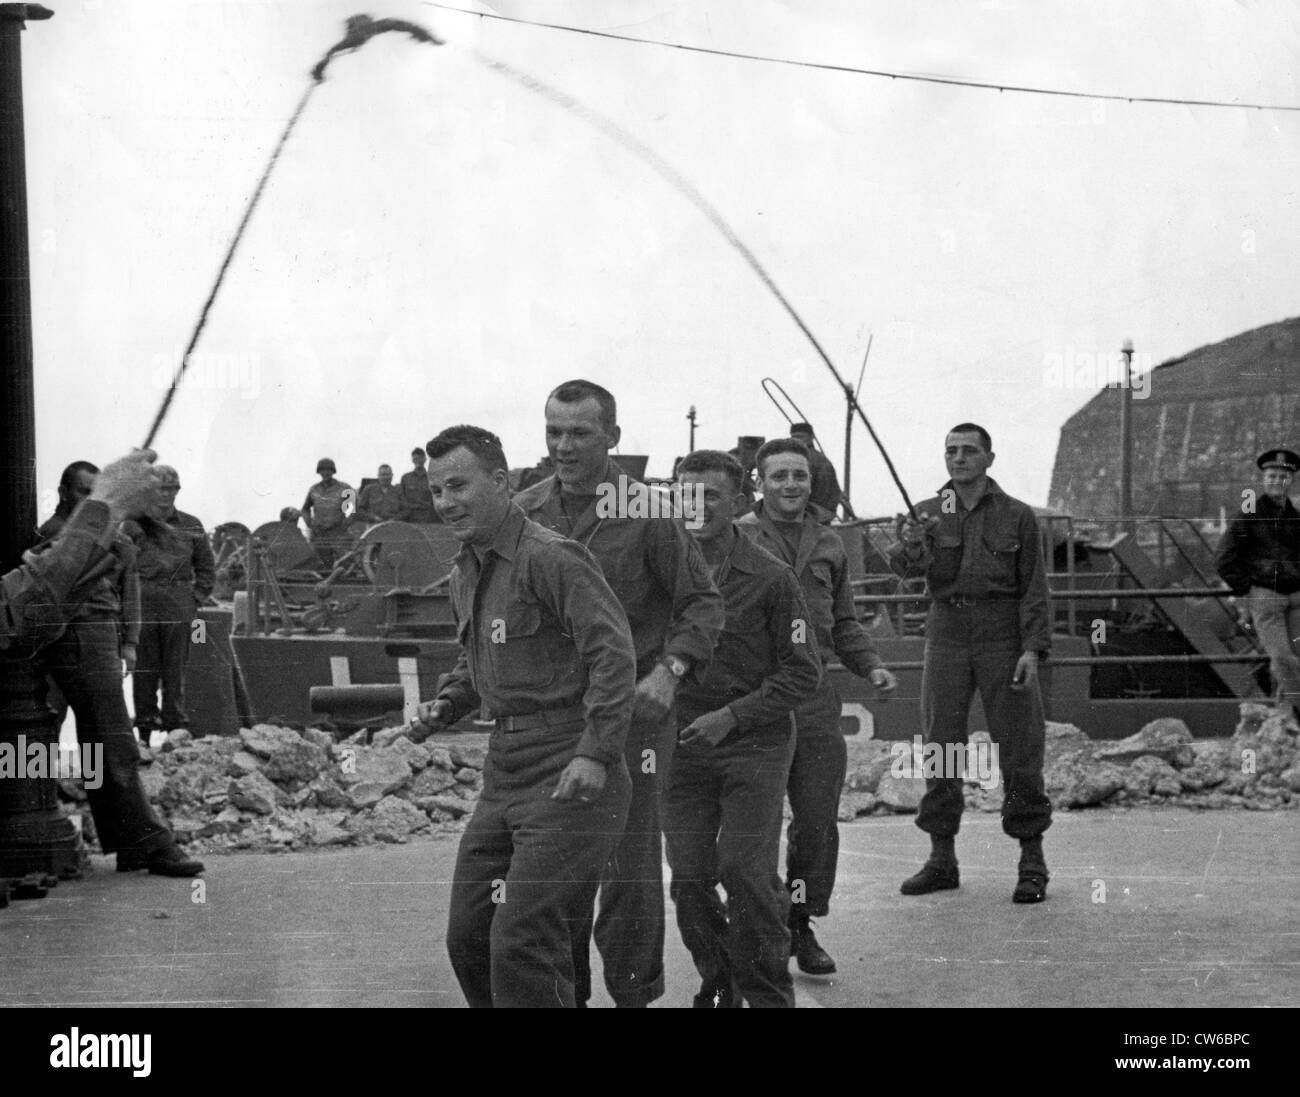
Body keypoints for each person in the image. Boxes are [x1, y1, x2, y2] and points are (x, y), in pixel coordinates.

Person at [513, 379, 725, 1008]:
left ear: (613, 437)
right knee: (556, 868)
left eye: (579, 433)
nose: (563, 446)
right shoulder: (525, 511)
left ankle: (634, 997)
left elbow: (701, 603)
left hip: (635, 714)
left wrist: (671, 670)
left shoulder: (652, 512)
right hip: (555, 718)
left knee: (628, 867)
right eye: (553, 431)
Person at [410, 425, 637, 1008]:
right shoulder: (466, 569)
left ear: (502, 482)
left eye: (458, 485)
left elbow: (614, 656)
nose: (446, 503)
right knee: (469, 935)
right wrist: (448, 702)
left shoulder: (552, 557)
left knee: (520, 938)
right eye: (436, 492)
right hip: (504, 772)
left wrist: (595, 752)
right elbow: (477, 656)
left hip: (569, 766)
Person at [666, 449, 821, 1007]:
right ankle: (720, 976)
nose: (697, 505)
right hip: (681, 747)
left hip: (753, 743)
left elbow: (803, 672)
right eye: (686, 493)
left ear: (738, 502)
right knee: (687, 879)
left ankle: (768, 995)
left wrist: (731, 716)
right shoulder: (656, 575)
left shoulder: (772, 579)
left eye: (710, 495)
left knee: (746, 870)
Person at [2, 449, 204, 877]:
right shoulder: (57, 535)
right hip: (74, 636)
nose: (86, 499)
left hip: (92, 635)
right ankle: (145, 840)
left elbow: (127, 592)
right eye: (80, 491)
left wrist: (128, 641)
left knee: (97, 744)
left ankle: (130, 840)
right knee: (105, 741)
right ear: (62, 492)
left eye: (94, 492)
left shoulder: (101, 535)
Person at [739, 437, 897, 974]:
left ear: (811, 482)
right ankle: (759, 929)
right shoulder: (734, 537)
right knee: (753, 824)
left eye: (799, 477)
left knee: (815, 822)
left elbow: (845, 621)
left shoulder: (829, 543)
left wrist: (870, 663)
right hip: (753, 697)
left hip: (814, 696)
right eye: (778, 476)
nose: (790, 485)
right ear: (759, 482)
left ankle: (800, 923)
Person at [889, 423, 1052, 903]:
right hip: (946, 635)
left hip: (1003, 635)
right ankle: (942, 859)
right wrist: (914, 543)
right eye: (950, 451)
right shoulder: (925, 512)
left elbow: (1034, 586)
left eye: (968, 451)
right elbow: (903, 569)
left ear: (989, 459)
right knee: (942, 744)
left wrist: (1032, 650)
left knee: (1020, 744)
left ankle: (1032, 860)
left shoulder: (1017, 516)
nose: (958, 459)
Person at [1214, 447, 1300, 717]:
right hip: (1266, 598)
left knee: (1294, 660)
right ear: (1264, 480)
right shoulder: (1249, 515)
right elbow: (1224, 558)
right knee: (1282, 659)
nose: (1277, 481)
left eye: (1283, 477)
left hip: (1296, 598)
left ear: (1291, 481)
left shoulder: (1295, 517)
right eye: (1272, 476)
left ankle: (1285, 718)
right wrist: (1249, 590)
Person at [131, 466, 215, 738]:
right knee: (143, 670)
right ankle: (144, 727)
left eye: (171, 488)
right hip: (142, 602)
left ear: (178, 491)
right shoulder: (133, 525)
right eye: (160, 489)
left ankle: (175, 727)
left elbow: (206, 568)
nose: (166, 494)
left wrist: (195, 599)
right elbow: (118, 568)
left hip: (178, 603)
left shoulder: (192, 525)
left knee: (175, 669)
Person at [300, 458, 355, 566]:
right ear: (319, 472)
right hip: (319, 533)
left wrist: (346, 523)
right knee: (320, 564)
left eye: (329, 470)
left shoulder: (344, 488)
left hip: (338, 533)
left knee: (344, 563)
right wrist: (310, 523)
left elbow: (355, 508)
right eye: (322, 470)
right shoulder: (314, 489)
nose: (325, 473)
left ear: (333, 471)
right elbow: (305, 509)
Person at [789, 423, 845, 518]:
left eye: (800, 437)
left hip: (812, 515)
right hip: (822, 514)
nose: (796, 441)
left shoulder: (806, 460)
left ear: (811, 437)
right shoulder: (817, 458)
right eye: (793, 437)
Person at [399, 447, 438, 523]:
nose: (418, 461)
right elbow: (401, 497)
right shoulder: (406, 478)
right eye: (415, 459)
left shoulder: (432, 477)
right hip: (410, 517)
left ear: (425, 459)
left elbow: (436, 496)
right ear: (412, 460)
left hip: (428, 517)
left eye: (420, 458)